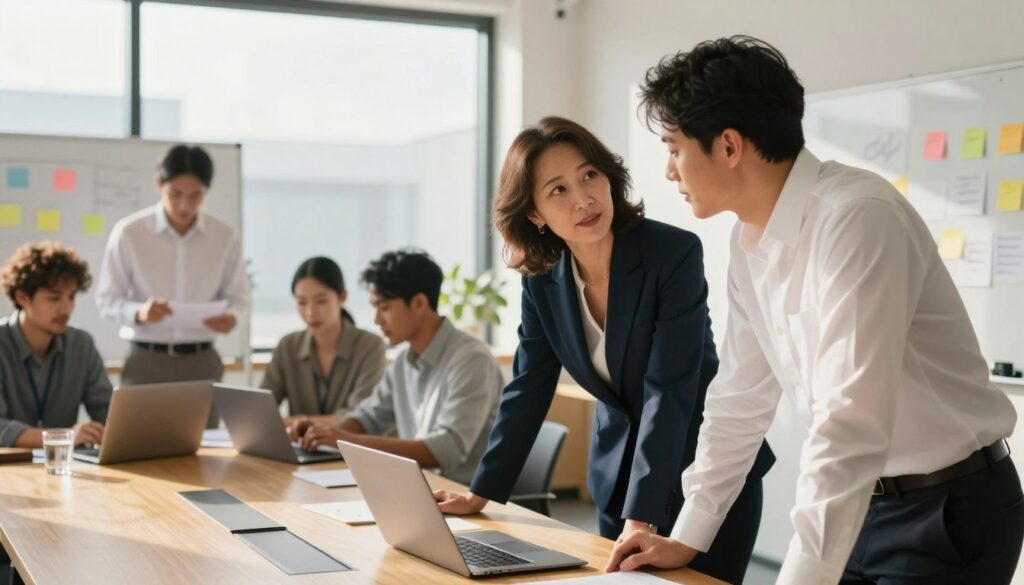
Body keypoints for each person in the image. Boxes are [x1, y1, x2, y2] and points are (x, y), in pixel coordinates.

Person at [607, 36, 1024, 584]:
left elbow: (849, 419)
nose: (668, 172)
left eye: (673, 147)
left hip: (944, 508)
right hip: (859, 504)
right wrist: (686, 537)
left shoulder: (857, 218)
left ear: (729, 146)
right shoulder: (746, 243)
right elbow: (739, 401)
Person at [433, 117, 773, 585]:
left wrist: (643, 516)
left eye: (589, 175)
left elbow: (668, 389)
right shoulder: (543, 280)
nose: (583, 198)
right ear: (534, 214)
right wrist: (482, 492)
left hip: (705, 477)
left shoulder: (671, 253)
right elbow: (529, 386)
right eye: (557, 190)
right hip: (618, 478)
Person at [290, 249, 503, 485]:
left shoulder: (471, 359)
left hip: (463, 498)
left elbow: (447, 450)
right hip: (416, 489)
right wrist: (324, 435)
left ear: (420, 303)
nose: (376, 320)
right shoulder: (404, 361)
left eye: (384, 307)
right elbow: (370, 417)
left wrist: (345, 441)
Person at [96, 144, 249, 427]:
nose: (184, 205)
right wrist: (139, 313)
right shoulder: (130, 233)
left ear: (207, 191)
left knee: (203, 453)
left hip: (202, 361)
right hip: (146, 361)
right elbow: (107, 299)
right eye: (175, 194)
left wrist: (232, 318)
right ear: (159, 184)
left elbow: (239, 298)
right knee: (136, 447)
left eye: (195, 196)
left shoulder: (224, 236)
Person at [0, 241, 111, 447]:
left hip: (65, 467)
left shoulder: (81, 344)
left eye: (71, 297)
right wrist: (65, 437)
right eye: (54, 298)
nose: (66, 309)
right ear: (22, 296)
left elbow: (109, 413)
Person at [261, 256, 386, 428]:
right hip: (299, 449)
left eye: (321, 301)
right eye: (302, 302)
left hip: (349, 450)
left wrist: (293, 424)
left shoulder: (370, 346)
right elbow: (261, 408)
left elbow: (360, 415)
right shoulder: (287, 346)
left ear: (342, 297)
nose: (311, 312)